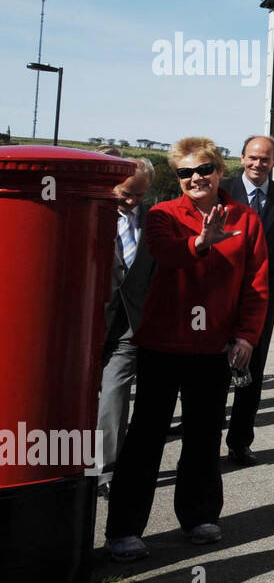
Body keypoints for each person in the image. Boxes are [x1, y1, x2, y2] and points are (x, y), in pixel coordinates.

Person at [105, 137, 269, 560]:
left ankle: (198, 517)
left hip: (213, 346)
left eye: (203, 169)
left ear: (218, 170)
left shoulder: (246, 220)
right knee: (145, 437)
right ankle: (124, 529)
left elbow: (255, 284)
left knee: (203, 435)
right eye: (184, 172)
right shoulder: (161, 215)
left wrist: (247, 335)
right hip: (163, 343)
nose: (195, 178)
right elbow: (165, 252)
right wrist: (201, 242)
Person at [221, 135, 274, 465]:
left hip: (262, 297)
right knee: (213, 371)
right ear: (241, 158)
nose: (257, 164)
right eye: (252, 158)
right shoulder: (221, 190)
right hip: (220, 296)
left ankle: (240, 442)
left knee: (251, 373)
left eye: (264, 159)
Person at [95, 153, 156, 498]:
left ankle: (104, 470)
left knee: (115, 397)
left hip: (130, 326)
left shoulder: (151, 221)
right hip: (88, 324)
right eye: (127, 193)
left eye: (140, 195)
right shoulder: (90, 214)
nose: (132, 201)